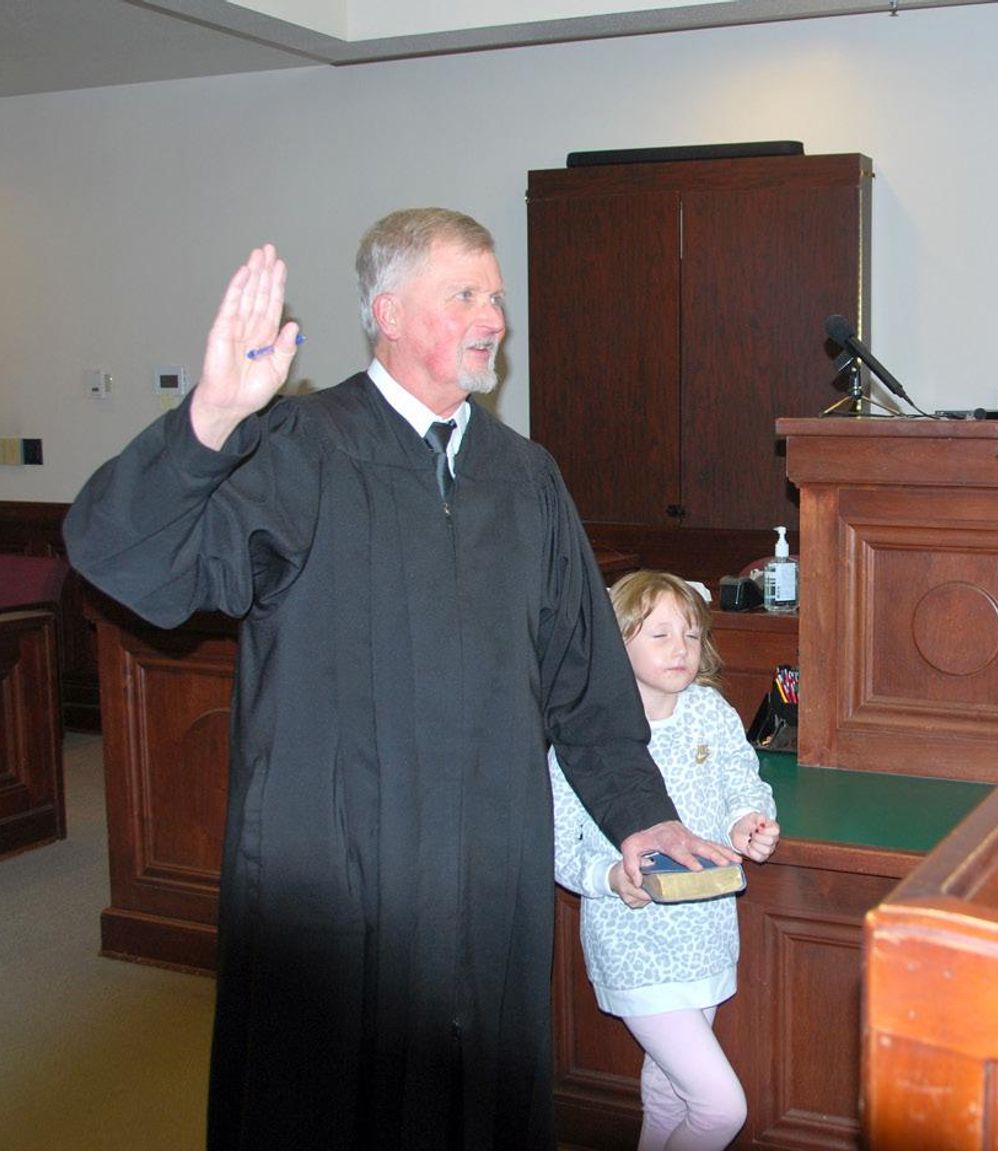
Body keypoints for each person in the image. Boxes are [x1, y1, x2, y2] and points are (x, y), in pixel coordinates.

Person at [62, 210, 738, 1151]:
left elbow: (586, 684)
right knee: (332, 1101)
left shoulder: (526, 478)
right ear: (387, 311)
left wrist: (641, 813)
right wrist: (211, 417)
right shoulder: (299, 448)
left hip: (485, 874)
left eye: (496, 296)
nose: (493, 314)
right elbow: (123, 555)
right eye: (463, 293)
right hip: (338, 871)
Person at [549, 571, 780, 1151]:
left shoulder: (710, 711)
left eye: (692, 634)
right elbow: (558, 845)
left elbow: (740, 781)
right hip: (635, 946)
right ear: (614, 642)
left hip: (706, 935)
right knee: (720, 1106)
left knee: (670, 1093)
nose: (680, 649)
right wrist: (608, 878)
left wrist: (747, 824)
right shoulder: (584, 734)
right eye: (659, 634)